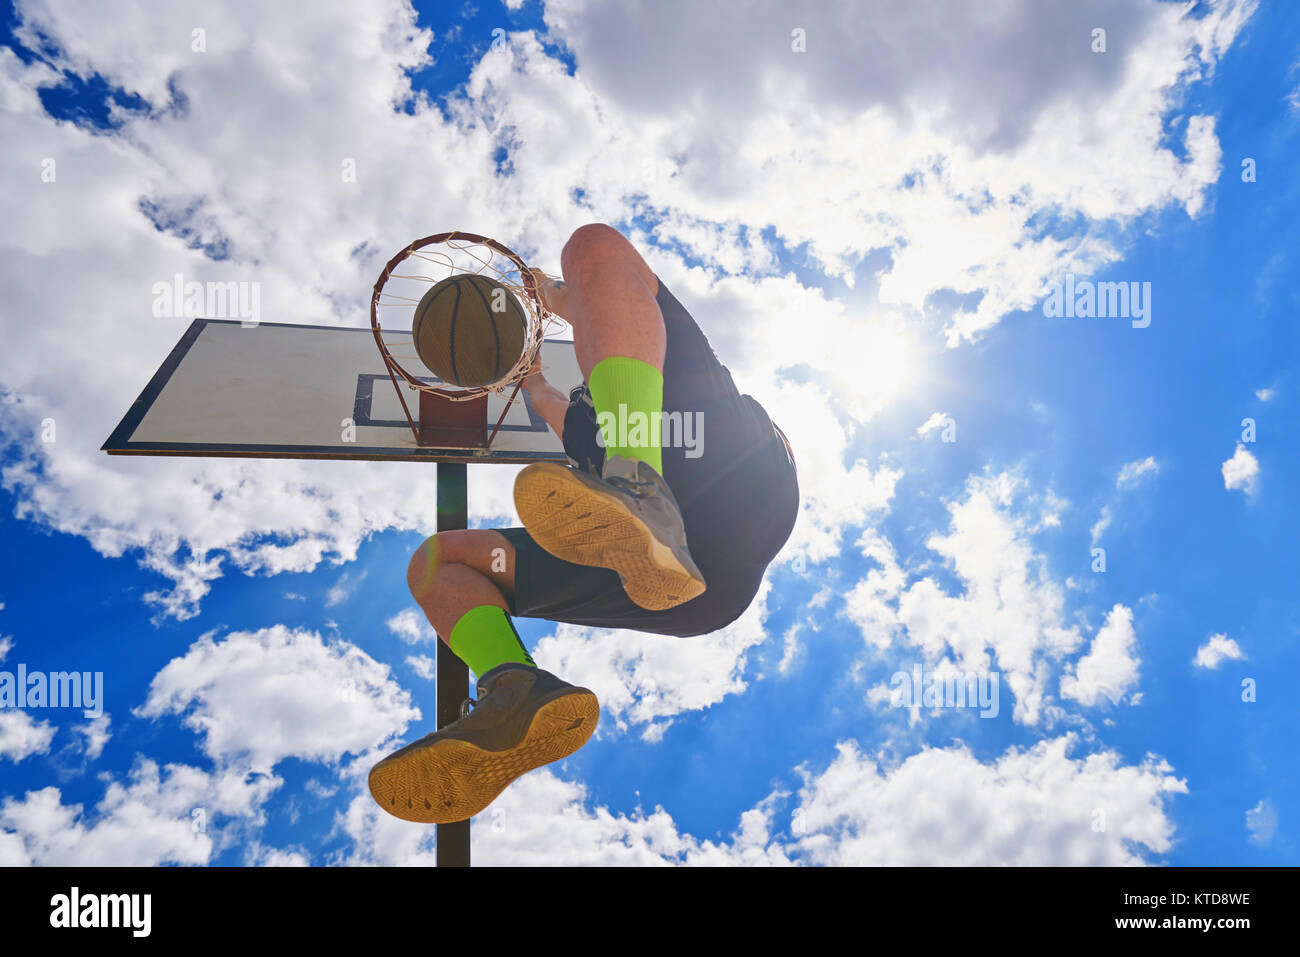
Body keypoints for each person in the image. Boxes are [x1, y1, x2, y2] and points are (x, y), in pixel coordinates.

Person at [368, 224, 799, 824]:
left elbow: (599, 274)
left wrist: (546, 292)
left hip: (734, 480)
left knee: (593, 244)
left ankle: (640, 485)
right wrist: (526, 370)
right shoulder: (580, 425)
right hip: (690, 589)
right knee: (440, 562)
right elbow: (539, 392)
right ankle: (515, 691)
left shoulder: (660, 359)